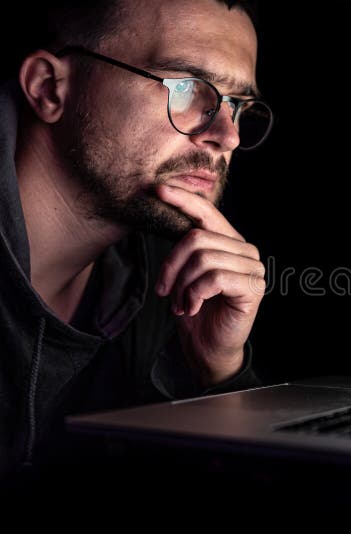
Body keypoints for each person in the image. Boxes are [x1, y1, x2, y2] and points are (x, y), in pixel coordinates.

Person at [0, 0, 270, 481]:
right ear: (48, 88)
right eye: (187, 88)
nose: (227, 135)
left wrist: (218, 375)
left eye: (237, 105)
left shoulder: (176, 283)